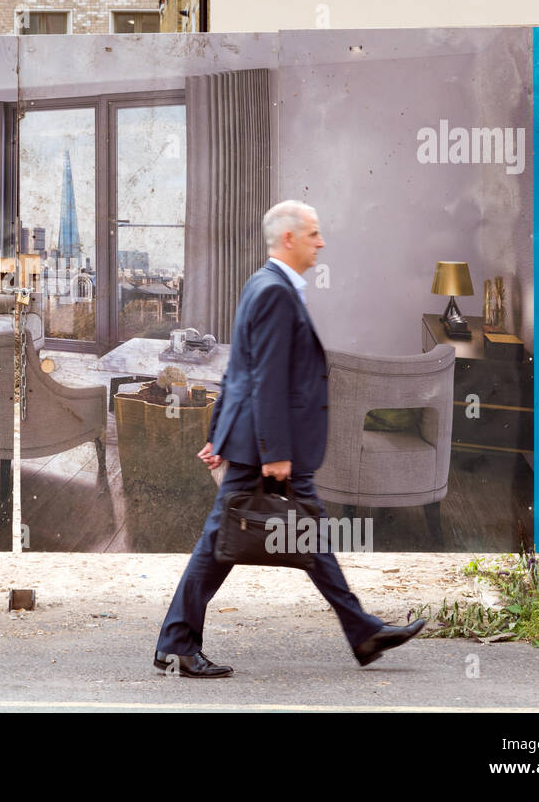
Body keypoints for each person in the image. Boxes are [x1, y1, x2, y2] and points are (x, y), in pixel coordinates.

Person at [153, 200, 425, 677]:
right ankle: (179, 641)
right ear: (290, 239)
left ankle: (363, 633)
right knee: (224, 546)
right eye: (315, 234)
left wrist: (219, 434)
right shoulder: (275, 291)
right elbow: (267, 377)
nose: (322, 243)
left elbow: (240, 367)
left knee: (305, 540)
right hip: (268, 452)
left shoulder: (264, 284)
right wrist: (273, 452)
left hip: (257, 445)